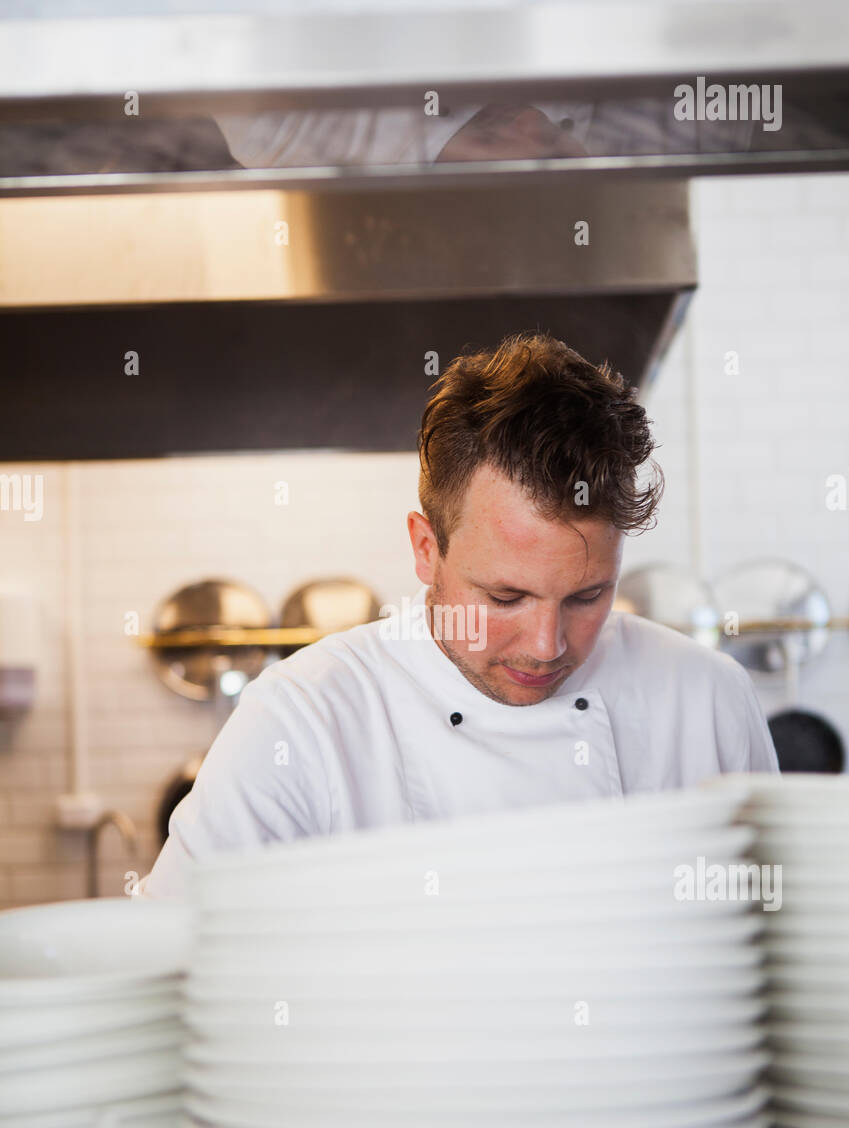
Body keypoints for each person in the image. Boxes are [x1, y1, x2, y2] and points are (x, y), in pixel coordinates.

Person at [140, 332, 777, 898]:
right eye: (506, 598)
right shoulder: (303, 718)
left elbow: (778, 946)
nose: (546, 644)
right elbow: (169, 961)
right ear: (426, 548)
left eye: (588, 596)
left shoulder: (708, 700)